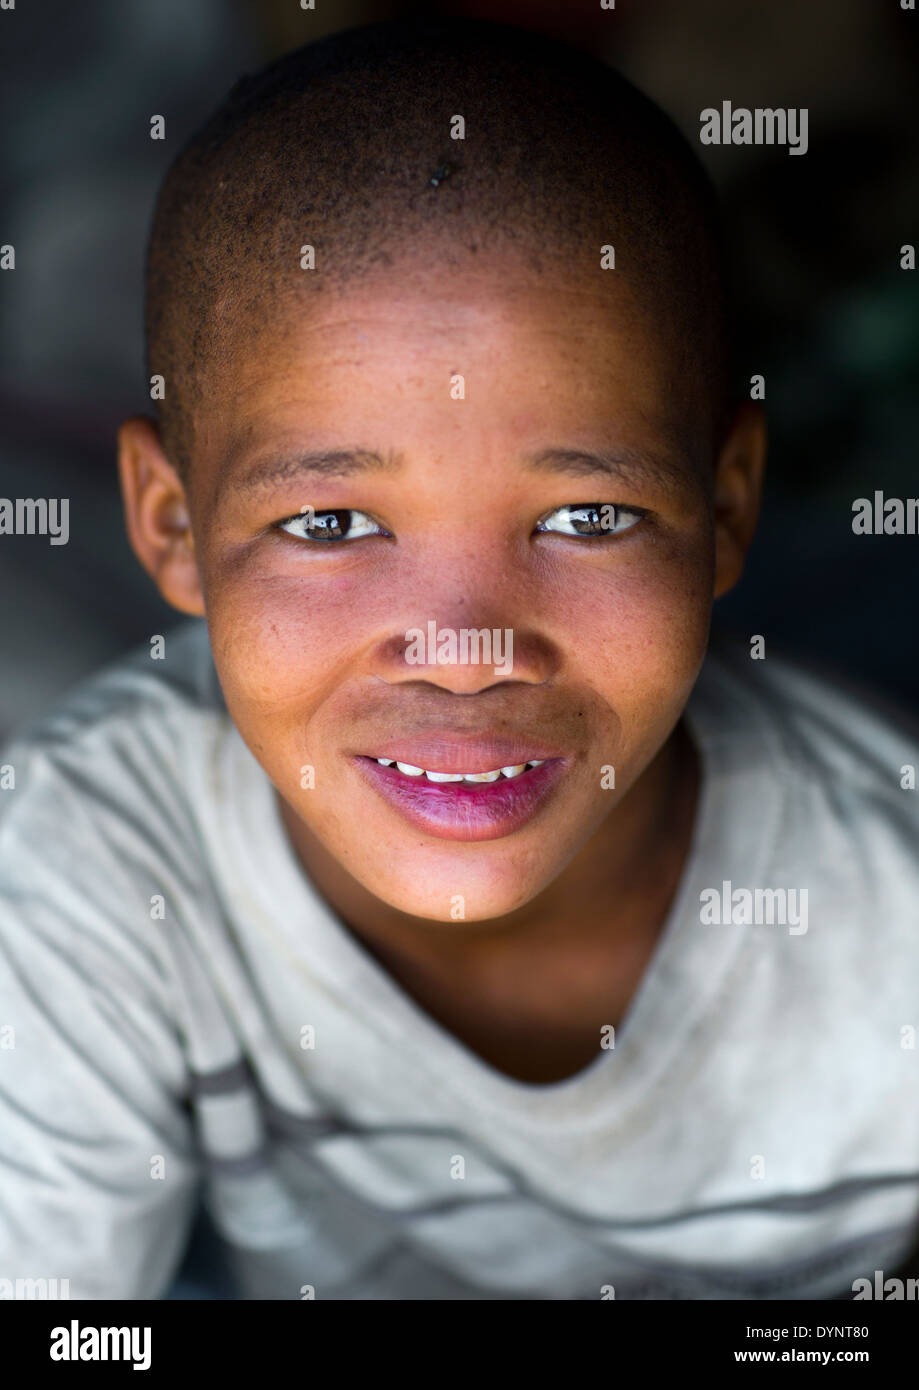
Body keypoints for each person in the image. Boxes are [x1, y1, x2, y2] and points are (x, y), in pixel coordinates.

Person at [1, 17, 917, 1301]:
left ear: (724, 510)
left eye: (586, 518)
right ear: (172, 530)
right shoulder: (93, 858)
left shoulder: (887, 921)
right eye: (329, 524)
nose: (466, 651)